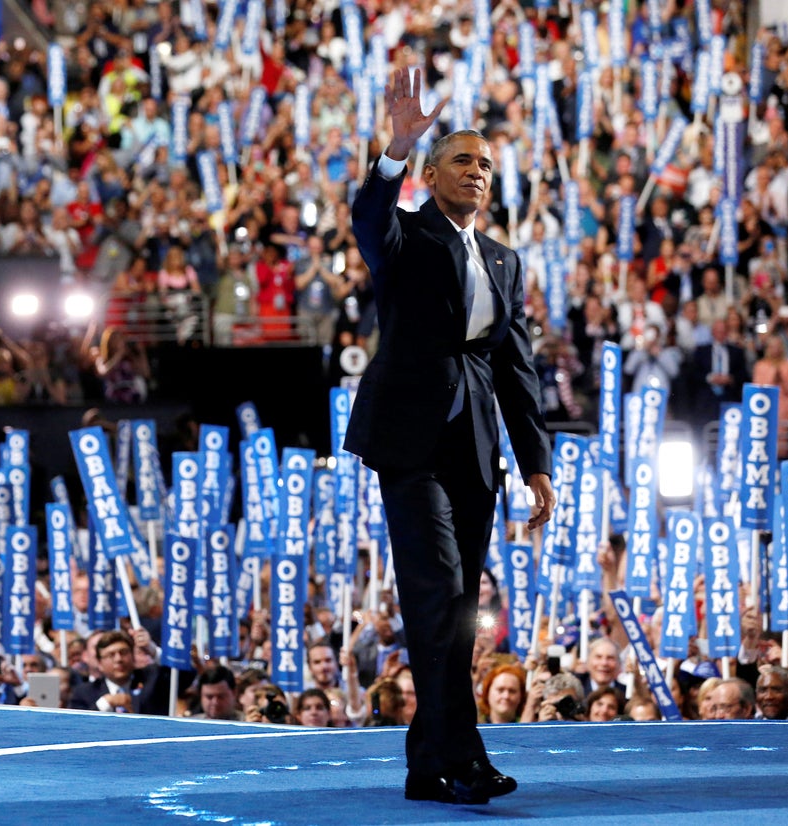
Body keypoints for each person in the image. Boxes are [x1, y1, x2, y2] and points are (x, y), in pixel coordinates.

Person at [344, 70, 553, 805]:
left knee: (458, 606)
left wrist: (536, 465)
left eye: (487, 165)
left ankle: (427, 764)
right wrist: (395, 149)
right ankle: (464, 759)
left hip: (477, 449)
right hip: (409, 441)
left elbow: (515, 364)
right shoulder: (405, 236)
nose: (478, 173)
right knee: (439, 597)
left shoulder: (503, 259)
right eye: (463, 161)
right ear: (431, 176)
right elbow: (369, 219)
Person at [68, 629, 170, 715]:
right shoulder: (84, 693)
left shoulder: (152, 678)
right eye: (111, 655)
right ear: (100, 664)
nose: (118, 659)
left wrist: (154, 651)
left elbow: (181, 679)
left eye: (123, 652)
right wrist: (106, 703)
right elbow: (79, 727)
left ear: (133, 657)